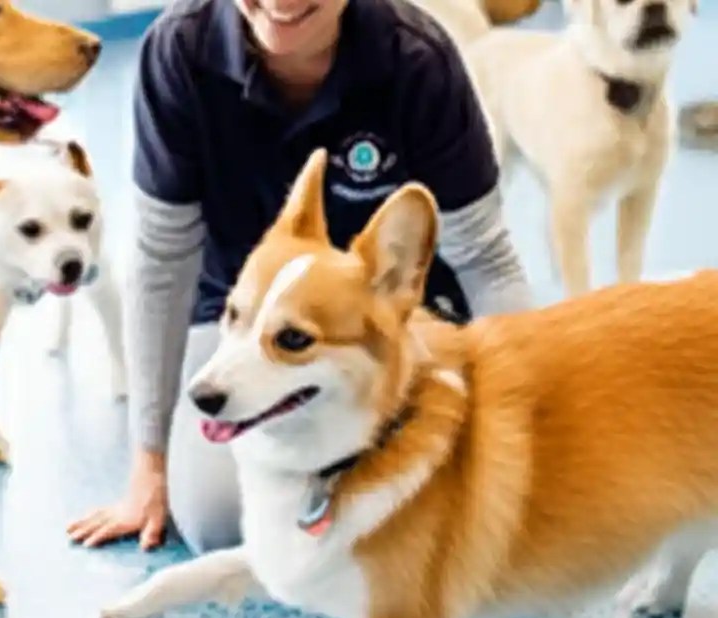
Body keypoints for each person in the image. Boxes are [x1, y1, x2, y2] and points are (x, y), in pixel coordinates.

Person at [66, 0, 533, 554]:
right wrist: (148, 464)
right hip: (239, 317)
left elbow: (484, 258)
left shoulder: (417, 57)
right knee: (217, 521)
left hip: (394, 325)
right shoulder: (179, 52)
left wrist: (543, 426)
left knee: (475, 482)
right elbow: (162, 261)